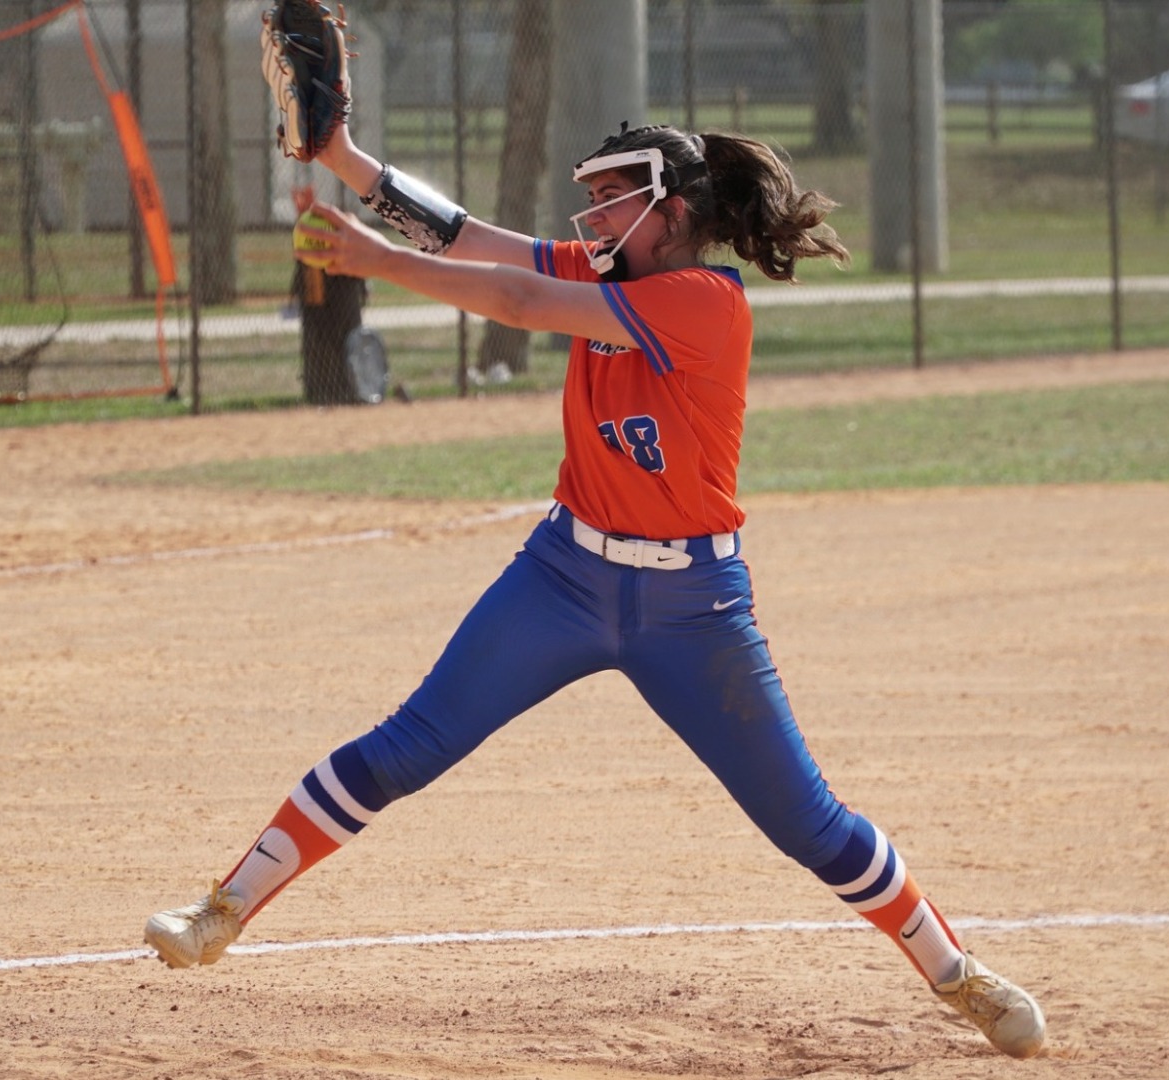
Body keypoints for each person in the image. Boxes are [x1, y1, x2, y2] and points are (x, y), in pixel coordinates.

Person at [143, 113, 1048, 1059]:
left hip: (695, 612)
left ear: (676, 212)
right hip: (564, 577)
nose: (591, 216)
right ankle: (223, 908)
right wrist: (346, 161)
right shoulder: (612, 269)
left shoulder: (705, 300)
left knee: (809, 824)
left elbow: (517, 301)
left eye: (612, 197)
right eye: (590, 198)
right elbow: (468, 237)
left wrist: (378, 264)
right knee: (409, 745)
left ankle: (959, 976)